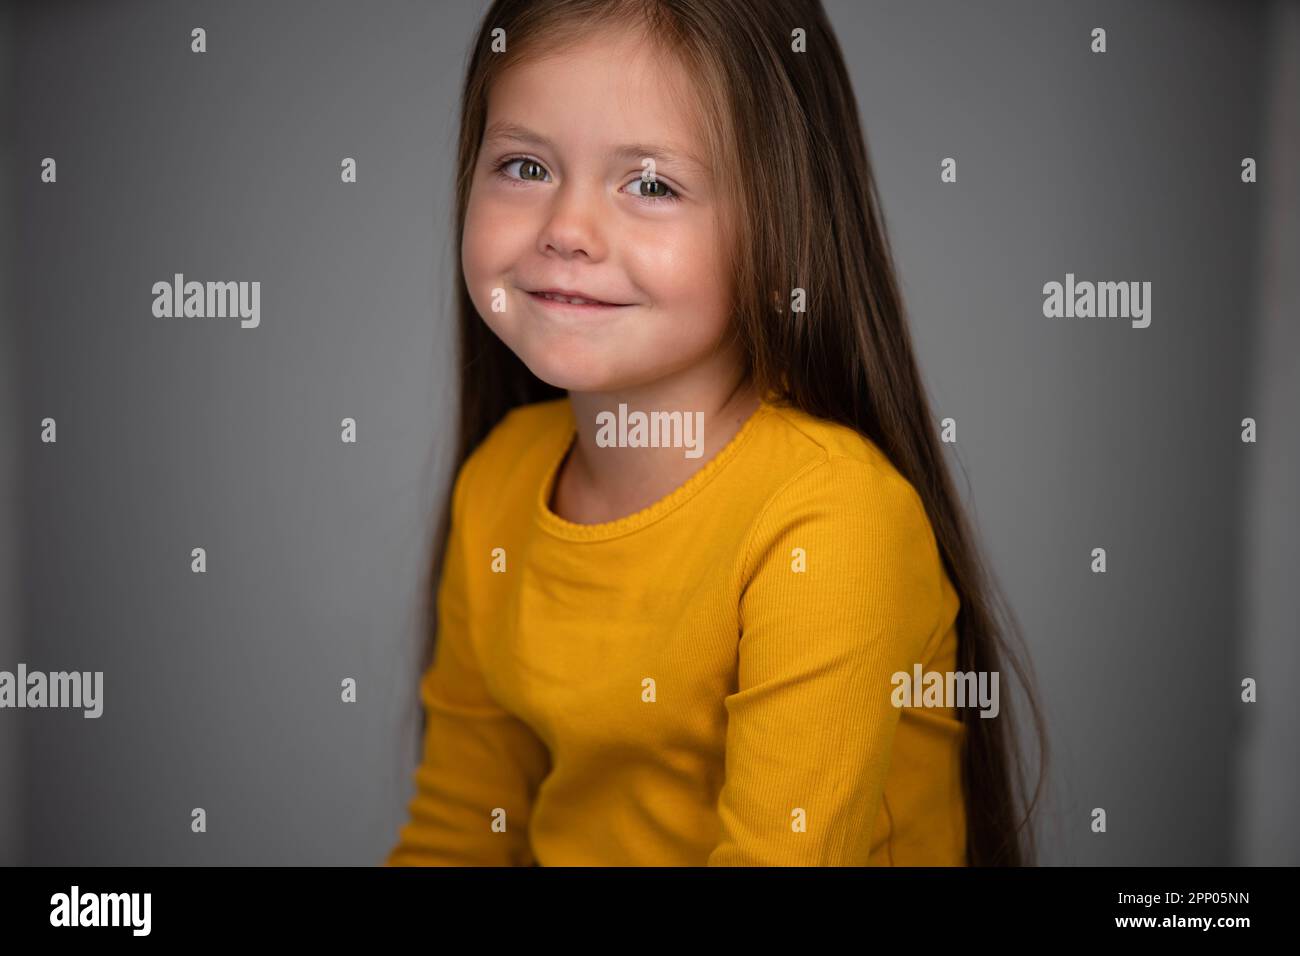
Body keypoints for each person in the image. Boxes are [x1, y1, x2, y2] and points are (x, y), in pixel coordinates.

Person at [386, 0, 1046, 866]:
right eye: (523, 165)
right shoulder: (501, 479)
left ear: (778, 220)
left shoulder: (831, 522)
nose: (566, 232)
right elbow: (461, 831)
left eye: (651, 184)